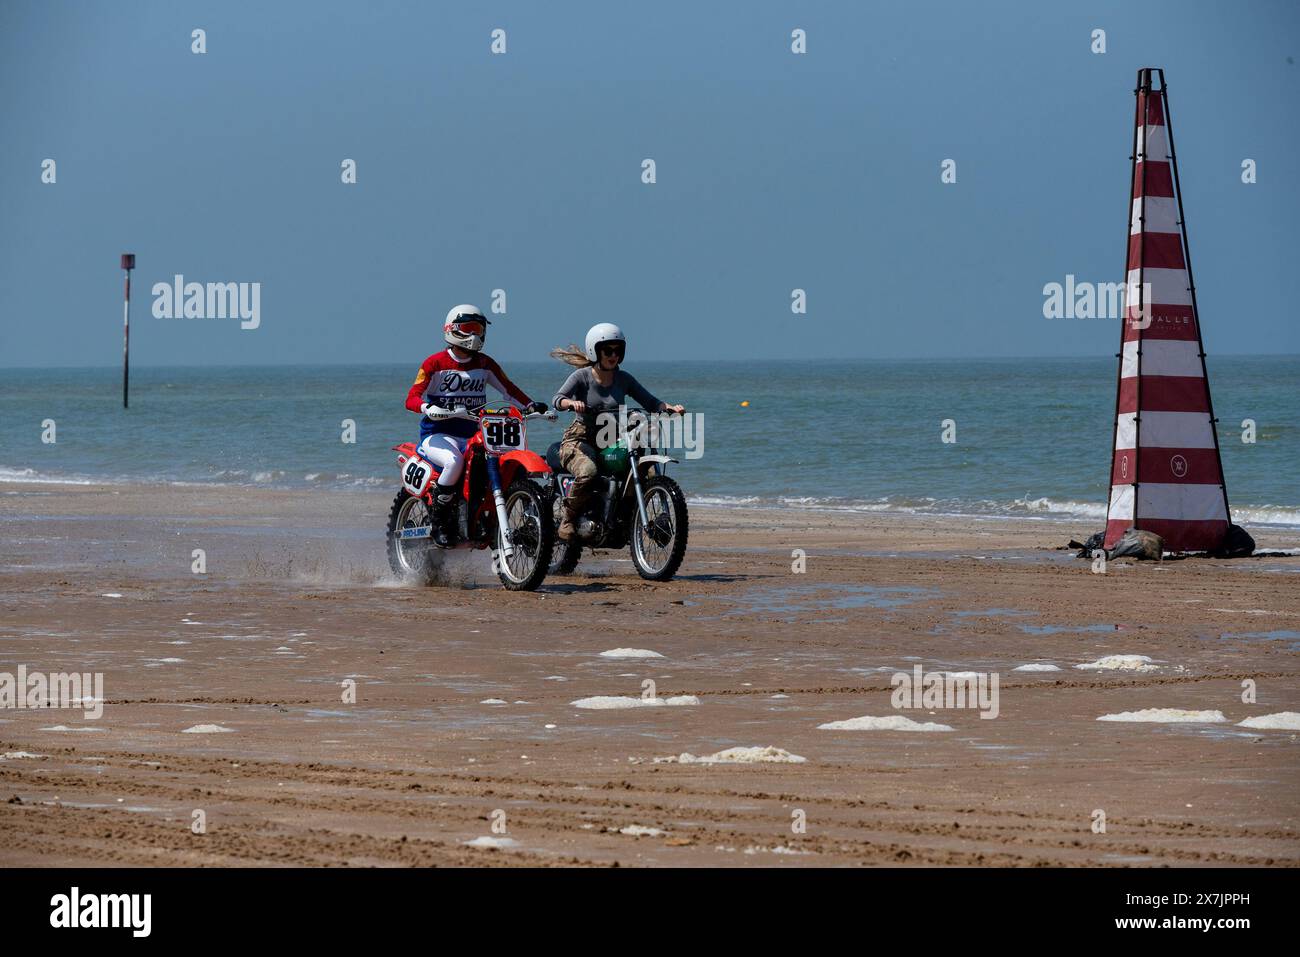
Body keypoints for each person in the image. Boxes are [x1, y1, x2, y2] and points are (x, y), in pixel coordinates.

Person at [406, 304, 545, 547]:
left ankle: (491, 516)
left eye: (479, 329)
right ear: (452, 329)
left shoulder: (485, 363)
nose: (475, 335)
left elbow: (508, 389)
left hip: (477, 433)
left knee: (505, 463)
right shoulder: (434, 364)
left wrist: (531, 405)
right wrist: (428, 408)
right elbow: (412, 397)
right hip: (438, 434)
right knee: (453, 462)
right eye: (470, 328)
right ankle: (440, 522)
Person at [550, 323, 685, 541]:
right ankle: (568, 519)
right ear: (596, 351)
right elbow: (557, 399)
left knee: (645, 468)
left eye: (617, 350)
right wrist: (570, 404)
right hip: (580, 438)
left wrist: (667, 408)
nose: (613, 355)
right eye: (608, 350)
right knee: (588, 471)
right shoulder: (582, 376)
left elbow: (649, 401)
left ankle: (629, 519)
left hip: (612, 436)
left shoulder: (624, 379)